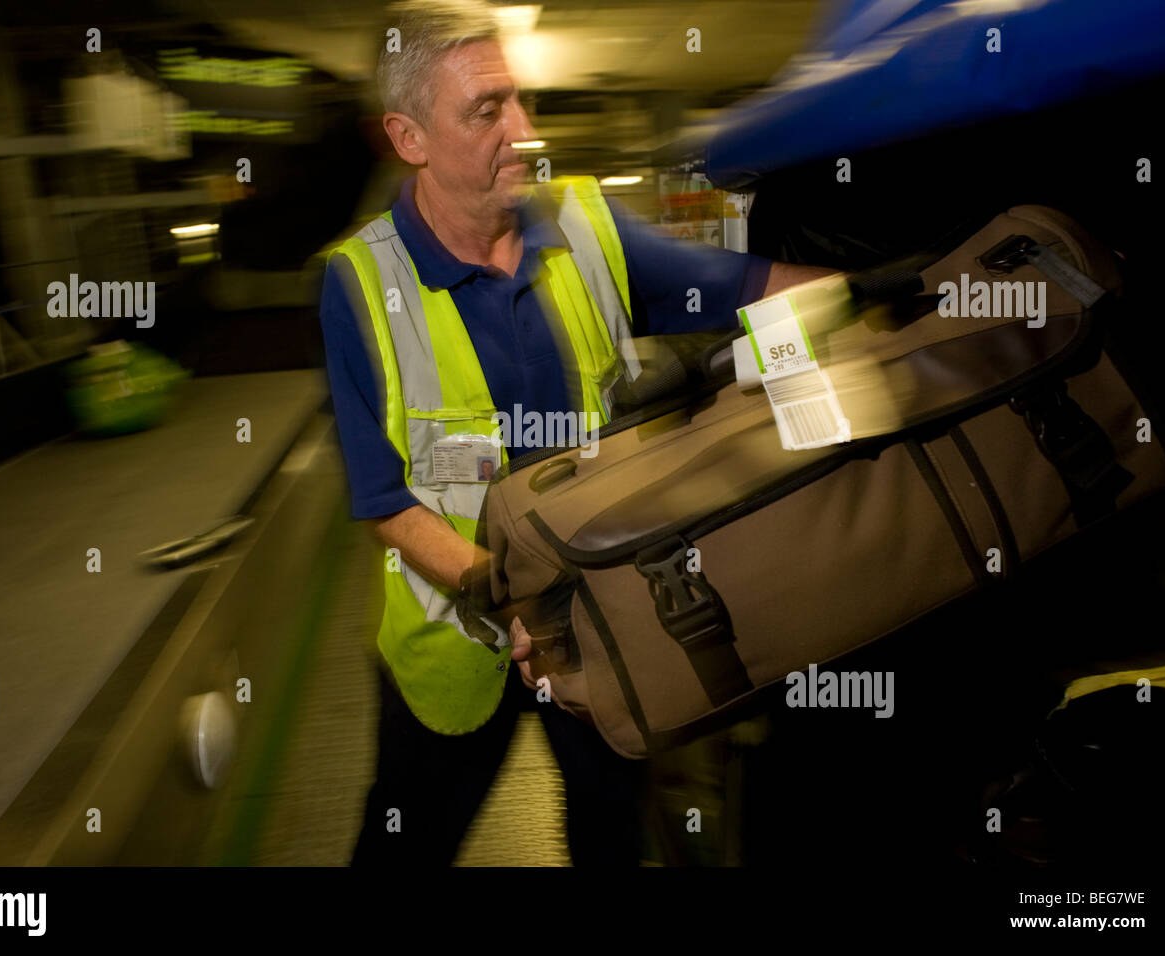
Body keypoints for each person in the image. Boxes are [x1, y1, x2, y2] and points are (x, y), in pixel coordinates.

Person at [318, 0, 834, 866]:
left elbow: (747, 284)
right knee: (402, 843)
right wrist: (507, 591)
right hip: (456, 649)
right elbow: (383, 501)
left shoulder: (585, 227)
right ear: (410, 137)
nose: (522, 131)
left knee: (610, 836)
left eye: (520, 102)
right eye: (486, 112)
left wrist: (907, 299)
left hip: (604, 630)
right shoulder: (360, 283)